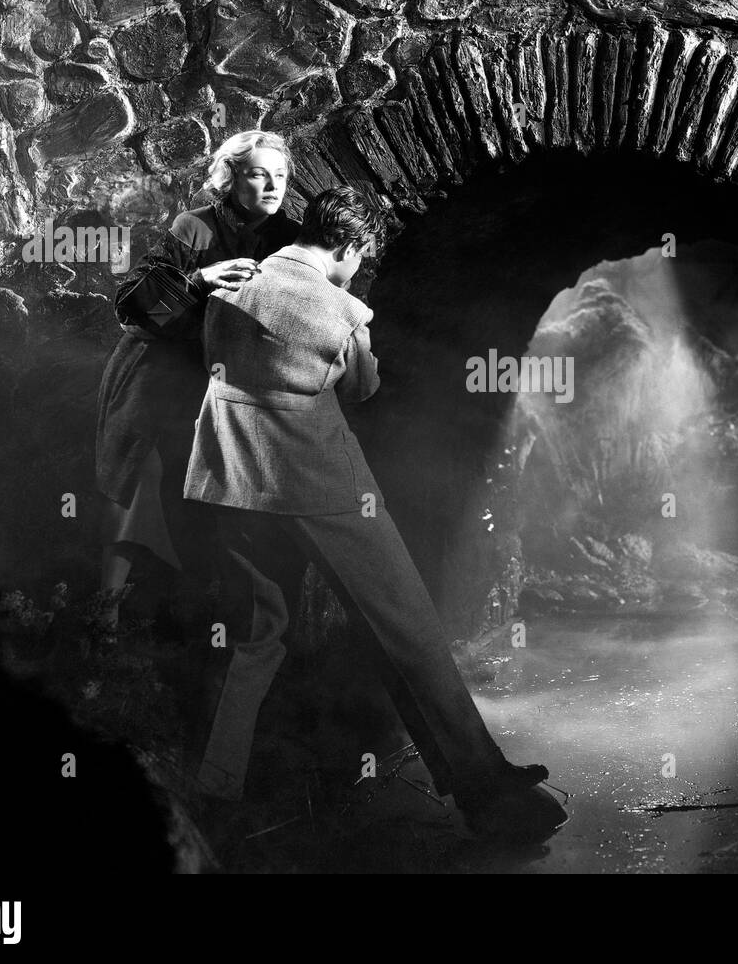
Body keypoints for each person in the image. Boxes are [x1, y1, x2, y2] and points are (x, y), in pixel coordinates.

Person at [183, 186, 568, 842]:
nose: (356, 269)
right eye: (358, 258)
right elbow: (363, 389)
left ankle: (211, 797)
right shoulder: (342, 312)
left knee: (255, 637)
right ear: (349, 246)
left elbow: (213, 359)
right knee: (408, 630)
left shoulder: (237, 282)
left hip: (225, 477)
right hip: (316, 481)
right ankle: (489, 796)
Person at [95, 131, 301, 630]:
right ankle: (102, 621)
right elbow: (131, 308)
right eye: (258, 174)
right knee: (138, 487)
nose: (271, 185)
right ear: (231, 178)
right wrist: (199, 280)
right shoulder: (193, 227)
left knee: (215, 501)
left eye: (280, 175)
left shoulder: (290, 237)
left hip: (230, 385)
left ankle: (209, 621)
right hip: (158, 374)